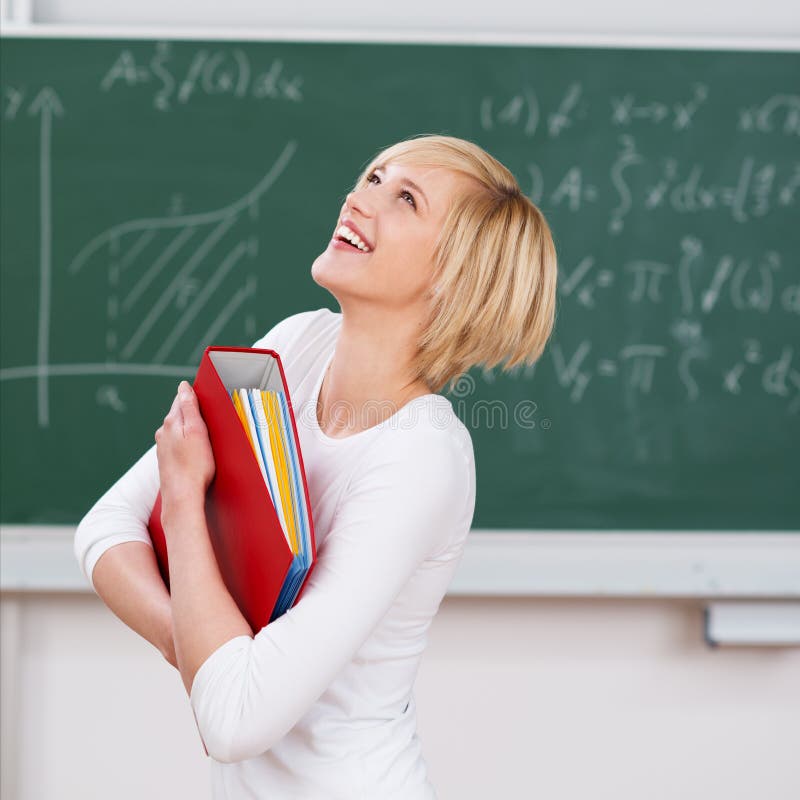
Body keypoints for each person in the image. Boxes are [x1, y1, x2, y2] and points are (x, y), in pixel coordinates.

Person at [74, 134, 558, 798]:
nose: (360, 199)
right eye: (374, 177)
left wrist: (185, 497)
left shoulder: (421, 456)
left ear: (454, 278)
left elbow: (234, 721)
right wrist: (192, 643)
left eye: (405, 199)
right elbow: (103, 530)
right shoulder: (297, 344)